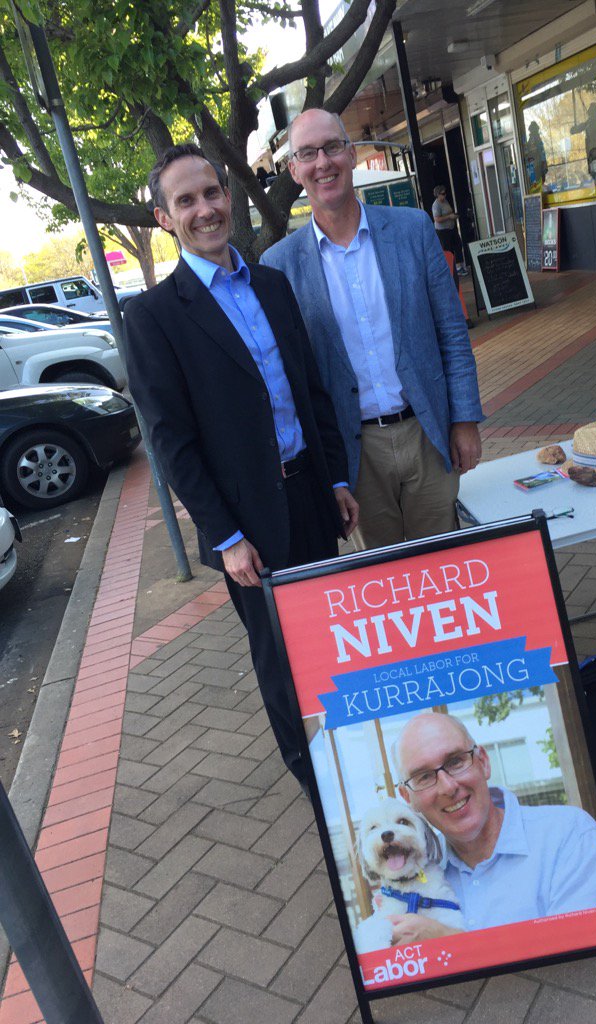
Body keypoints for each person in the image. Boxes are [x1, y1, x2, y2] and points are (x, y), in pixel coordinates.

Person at [122, 143, 358, 790]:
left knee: (336, 632)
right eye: (186, 201)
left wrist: (336, 477)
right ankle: (317, 782)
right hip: (250, 528)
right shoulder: (153, 318)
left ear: (229, 195)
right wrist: (224, 538)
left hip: (312, 492)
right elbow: (172, 445)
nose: (206, 209)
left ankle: (358, 751)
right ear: (165, 220)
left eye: (212, 193)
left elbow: (310, 391)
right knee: (283, 661)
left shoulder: (272, 284)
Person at [260, 109, 483, 551]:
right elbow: (293, 380)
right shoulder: (279, 266)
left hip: (426, 433)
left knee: (444, 567)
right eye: (308, 153)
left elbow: (451, 333)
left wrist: (464, 419)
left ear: (353, 152)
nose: (322, 162)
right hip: (353, 453)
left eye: (332, 147)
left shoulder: (412, 229)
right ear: (294, 170)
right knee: (383, 584)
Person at [390, 712, 596, 942]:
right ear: (407, 798)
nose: (448, 787)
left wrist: (448, 940)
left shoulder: (569, 835)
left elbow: (591, 955)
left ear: (483, 762)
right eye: (424, 777)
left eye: (455, 762)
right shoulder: (416, 877)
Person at [432, 185, 468, 275]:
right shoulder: (436, 205)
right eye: (442, 194)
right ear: (437, 195)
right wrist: (449, 217)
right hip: (443, 231)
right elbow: (437, 219)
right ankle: (453, 269)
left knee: (458, 245)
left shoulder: (445, 201)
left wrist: (453, 216)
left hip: (451, 228)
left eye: (445, 193)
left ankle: (460, 265)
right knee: (448, 249)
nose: (445, 195)